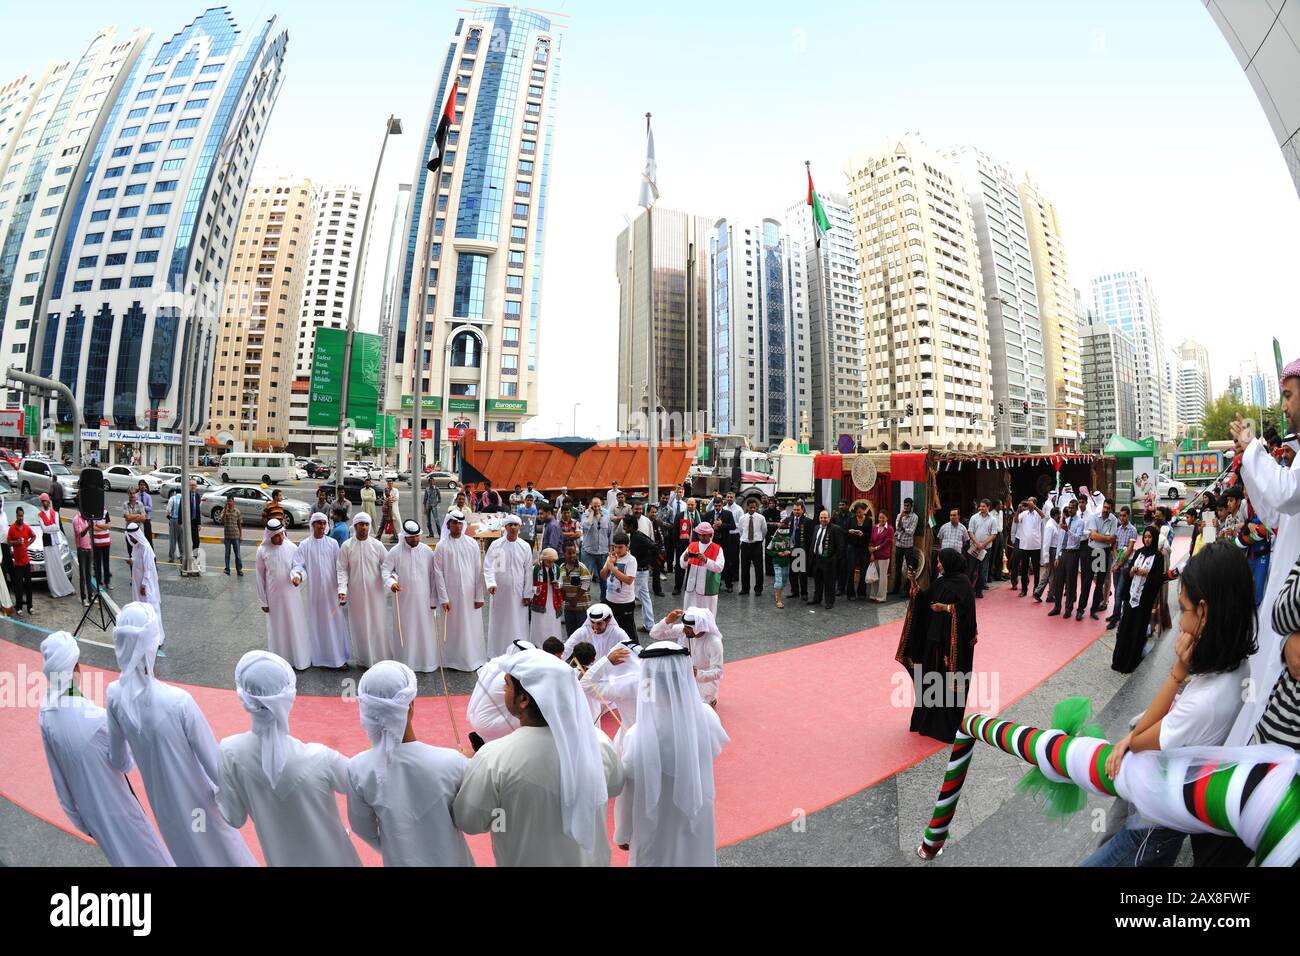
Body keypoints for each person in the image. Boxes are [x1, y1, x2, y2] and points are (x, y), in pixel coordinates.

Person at [1083, 542, 1255, 866]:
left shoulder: (1206, 700)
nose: (1179, 617)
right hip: (1161, 803)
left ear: (1204, 612)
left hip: (1155, 820)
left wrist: (1177, 672)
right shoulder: (1238, 666)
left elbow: (1142, 741)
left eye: (1184, 608)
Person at [105, 603, 256, 866]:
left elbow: (119, 761)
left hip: (165, 809)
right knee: (228, 856)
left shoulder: (115, 696)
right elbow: (216, 768)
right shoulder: (178, 702)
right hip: (203, 805)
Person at [452, 649, 625, 866]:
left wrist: (468, 769)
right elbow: (615, 786)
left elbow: (470, 820)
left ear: (523, 699)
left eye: (506, 685)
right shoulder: (598, 742)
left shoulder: (494, 757)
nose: (503, 690)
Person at [38, 631, 174, 867]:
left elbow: (58, 779)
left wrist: (81, 821)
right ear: (76, 668)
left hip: (92, 816)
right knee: (154, 858)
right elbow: (125, 763)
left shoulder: (46, 715)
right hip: (121, 808)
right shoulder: (97, 719)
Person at [217, 651, 360, 866]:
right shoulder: (321, 758)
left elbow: (234, 817)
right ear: (290, 698)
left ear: (244, 699)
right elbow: (364, 786)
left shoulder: (230, 751)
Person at [1225, 375, 1300, 747]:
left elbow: (1285, 492)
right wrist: (1248, 458)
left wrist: (1254, 448)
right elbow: (1275, 513)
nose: (1283, 406)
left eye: (1288, 396)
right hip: (1285, 599)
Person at [347, 661, 474, 866]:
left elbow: (363, 829)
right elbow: (472, 820)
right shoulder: (453, 762)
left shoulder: (358, 768)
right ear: (411, 706)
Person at [620, 640, 729, 866]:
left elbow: (628, 790)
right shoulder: (706, 717)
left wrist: (623, 832)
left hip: (656, 826)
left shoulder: (637, 734)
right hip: (696, 817)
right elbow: (714, 750)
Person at [896, 548, 978, 743]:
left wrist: (946, 608)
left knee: (949, 684)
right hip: (933, 640)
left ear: (950, 562)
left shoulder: (964, 585)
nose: (938, 565)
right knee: (930, 680)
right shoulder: (940, 582)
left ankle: (944, 726)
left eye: (941, 562)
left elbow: (967, 615)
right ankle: (926, 721)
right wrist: (914, 585)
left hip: (951, 646)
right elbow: (924, 601)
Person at [383, 520, 442, 673]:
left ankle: (426, 663)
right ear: (404, 537)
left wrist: (433, 599)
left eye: (417, 536)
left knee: (424, 631)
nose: (415, 539)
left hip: (424, 601)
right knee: (406, 631)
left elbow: (433, 577)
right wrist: (391, 583)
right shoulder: (395, 552)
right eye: (412, 537)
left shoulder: (428, 551)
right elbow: (385, 571)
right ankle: (405, 664)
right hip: (404, 601)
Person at [433, 510, 487, 672]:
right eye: (454, 523)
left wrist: (479, 596)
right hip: (451, 596)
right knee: (453, 628)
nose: (457, 526)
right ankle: (453, 661)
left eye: (460, 523)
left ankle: (473, 659)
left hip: (471, 595)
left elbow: (478, 571)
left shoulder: (472, 544)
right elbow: (438, 574)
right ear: (448, 524)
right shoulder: (441, 546)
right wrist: (443, 598)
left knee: (471, 627)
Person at [255, 519, 312, 671]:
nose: (280, 539)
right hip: (273, 598)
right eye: (276, 536)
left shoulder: (292, 547)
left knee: (295, 625)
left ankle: (300, 660)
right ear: (269, 536)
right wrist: (263, 601)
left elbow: (301, 567)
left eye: (281, 535)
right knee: (277, 629)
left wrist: (298, 576)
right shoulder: (262, 550)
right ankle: (280, 661)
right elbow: (259, 577)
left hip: (292, 596)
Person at [297, 514, 351, 669]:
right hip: (315, 593)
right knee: (317, 624)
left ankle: (338, 659)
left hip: (331, 592)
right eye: (317, 523)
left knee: (335, 624)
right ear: (312, 525)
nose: (321, 526)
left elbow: (340, 567)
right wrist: (298, 575)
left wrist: (342, 589)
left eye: (323, 523)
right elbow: (299, 566)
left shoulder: (333, 543)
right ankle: (319, 657)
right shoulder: (304, 545)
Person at [337, 512, 390, 668]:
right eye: (362, 524)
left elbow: (387, 567)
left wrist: (390, 582)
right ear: (355, 526)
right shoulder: (347, 546)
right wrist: (342, 589)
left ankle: (380, 658)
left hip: (376, 593)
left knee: (377, 624)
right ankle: (364, 659)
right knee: (360, 625)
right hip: (356, 593)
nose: (364, 527)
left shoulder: (377, 545)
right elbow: (341, 569)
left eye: (367, 524)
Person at [1110, 526, 1165, 673]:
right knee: (1125, 628)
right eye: (1145, 537)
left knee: (1137, 630)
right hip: (1131, 598)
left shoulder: (1158, 557)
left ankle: (1131, 662)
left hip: (1144, 601)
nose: (1147, 539)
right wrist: (1132, 571)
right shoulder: (1139, 552)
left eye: (1150, 537)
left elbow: (1158, 578)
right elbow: (1128, 572)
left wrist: (1146, 573)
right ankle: (1119, 660)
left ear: (1154, 539)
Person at [649, 607, 725, 706]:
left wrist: (698, 673)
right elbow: (654, 634)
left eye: (688, 628)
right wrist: (667, 621)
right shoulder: (683, 630)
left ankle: (711, 697)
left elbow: (718, 672)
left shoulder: (714, 642)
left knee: (694, 708)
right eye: (684, 626)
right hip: (682, 674)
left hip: (703, 681)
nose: (684, 630)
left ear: (699, 627)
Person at [467, 638, 536, 747]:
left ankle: (483, 739)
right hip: (488, 725)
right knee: (530, 713)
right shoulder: (511, 675)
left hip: (474, 717)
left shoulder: (495, 662)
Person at [484, 514, 534, 659]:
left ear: (519, 527)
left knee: (518, 623)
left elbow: (528, 571)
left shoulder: (525, 546)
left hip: (519, 594)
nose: (513, 527)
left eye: (515, 525)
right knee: (500, 623)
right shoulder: (496, 545)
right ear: (505, 527)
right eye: (510, 525)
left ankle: (519, 654)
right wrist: (491, 583)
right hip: (500, 592)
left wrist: (527, 594)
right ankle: (498, 653)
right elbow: (489, 567)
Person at [1048, 500, 1085, 618]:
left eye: (1072, 508)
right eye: (1069, 508)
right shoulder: (1065, 521)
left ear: (1076, 509)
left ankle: (1068, 608)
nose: (1070, 510)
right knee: (1059, 581)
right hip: (1063, 553)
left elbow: (1078, 539)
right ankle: (1057, 607)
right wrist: (1057, 556)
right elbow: (1060, 540)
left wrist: (1067, 530)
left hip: (1073, 553)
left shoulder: (1080, 522)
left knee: (1070, 582)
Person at [679, 522, 724, 618]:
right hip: (691, 588)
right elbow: (682, 564)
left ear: (710, 535)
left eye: (704, 535)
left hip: (708, 589)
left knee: (707, 616)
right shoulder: (692, 545)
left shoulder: (717, 548)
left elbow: (719, 567)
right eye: (700, 535)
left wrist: (706, 560)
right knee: (689, 615)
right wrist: (686, 558)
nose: (702, 537)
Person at [124, 523, 162, 636]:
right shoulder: (136, 547)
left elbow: (149, 569)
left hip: (145, 585)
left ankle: (155, 635)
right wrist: (132, 561)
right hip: (137, 582)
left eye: (131, 537)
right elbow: (135, 558)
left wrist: (144, 585)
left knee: (150, 608)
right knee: (140, 609)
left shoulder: (146, 548)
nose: (130, 539)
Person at [563, 602, 633, 661]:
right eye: (592, 622)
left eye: (599, 623)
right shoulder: (582, 632)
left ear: (608, 621)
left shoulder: (618, 633)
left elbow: (630, 651)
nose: (595, 627)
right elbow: (566, 649)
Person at [36, 493, 74, 599]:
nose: (44, 503)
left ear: (49, 501)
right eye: (42, 501)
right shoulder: (40, 515)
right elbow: (44, 529)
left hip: (54, 542)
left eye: (46, 501)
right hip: (47, 543)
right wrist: (51, 527)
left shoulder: (55, 513)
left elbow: (57, 528)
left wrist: (50, 527)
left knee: (58, 565)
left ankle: (65, 588)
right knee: (50, 568)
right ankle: (54, 591)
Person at [602, 531, 639, 638]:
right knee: (610, 630)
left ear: (627, 547)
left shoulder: (631, 560)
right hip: (610, 600)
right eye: (615, 547)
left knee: (628, 631)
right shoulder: (611, 557)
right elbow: (603, 575)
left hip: (625, 602)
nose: (617, 550)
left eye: (620, 547)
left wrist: (612, 568)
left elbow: (629, 580)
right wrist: (608, 565)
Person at [528, 547, 565, 646]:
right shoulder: (535, 569)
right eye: (549, 561)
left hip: (553, 602)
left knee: (553, 623)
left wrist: (558, 585)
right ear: (543, 559)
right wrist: (536, 590)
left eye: (553, 561)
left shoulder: (557, 569)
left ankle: (554, 645)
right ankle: (539, 645)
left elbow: (561, 583)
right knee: (539, 624)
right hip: (539, 602)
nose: (551, 564)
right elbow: (528, 587)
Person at [702, 495, 738, 593]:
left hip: (725, 543)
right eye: (716, 506)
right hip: (713, 543)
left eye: (719, 506)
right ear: (713, 505)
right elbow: (703, 527)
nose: (717, 508)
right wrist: (711, 527)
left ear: (722, 505)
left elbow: (733, 526)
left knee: (727, 564)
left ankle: (729, 584)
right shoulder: (708, 514)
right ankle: (715, 584)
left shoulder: (728, 514)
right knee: (712, 563)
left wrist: (722, 525)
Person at [809, 510, 843, 609]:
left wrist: (834, 559)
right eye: (821, 518)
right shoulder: (816, 527)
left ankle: (829, 602)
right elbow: (814, 542)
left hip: (829, 560)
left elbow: (840, 547)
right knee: (817, 581)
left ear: (829, 518)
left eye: (825, 518)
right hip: (817, 559)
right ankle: (817, 599)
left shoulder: (835, 529)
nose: (823, 519)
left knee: (829, 583)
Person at [581, 497, 613, 604]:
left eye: (599, 506)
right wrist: (591, 513)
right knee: (586, 579)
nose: (597, 508)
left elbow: (609, 533)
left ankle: (604, 600)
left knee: (604, 578)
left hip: (603, 552)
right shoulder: (585, 516)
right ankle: (585, 601)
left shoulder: (606, 516)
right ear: (590, 506)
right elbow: (586, 526)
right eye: (594, 506)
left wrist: (610, 548)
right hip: (589, 552)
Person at [559, 543, 593, 636]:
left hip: (582, 607)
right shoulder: (561, 567)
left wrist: (575, 599)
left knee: (582, 633)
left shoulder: (582, 567)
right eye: (569, 553)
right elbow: (560, 584)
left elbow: (586, 584)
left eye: (574, 552)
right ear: (564, 554)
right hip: (568, 607)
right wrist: (565, 597)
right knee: (571, 632)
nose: (572, 555)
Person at [966, 500, 998, 598]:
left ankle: (979, 590)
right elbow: (970, 531)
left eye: (983, 506)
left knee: (982, 569)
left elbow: (994, 534)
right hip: (974, 547)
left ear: (988, 507)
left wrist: (983, 544)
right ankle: (968, 591)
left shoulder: (993, 519)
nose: (981, 508)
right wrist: (977, 543)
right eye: (980, 506)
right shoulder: (974, 517)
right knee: (971, 569)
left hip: (986, 548)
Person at [673, 497, 704, 595]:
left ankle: (689, 587)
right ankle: (677, 587)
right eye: (688, 504)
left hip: (695, 546)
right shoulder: (680, 516)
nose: (690, 506)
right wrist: (677, 544)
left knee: (693, 567)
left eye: (692, 504)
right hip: (682, 546)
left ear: (696, 505)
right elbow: (675, 531)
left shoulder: (700, 516)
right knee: (680, 567)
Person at [1012, 500, 1044, 597]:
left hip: (1035, 545)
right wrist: (1018, 509)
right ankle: (1024, 590)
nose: (1029, 505)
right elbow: (1016, 520)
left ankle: (1036, 590)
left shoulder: (1037, 514)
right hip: (1024, 546)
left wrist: (1035, 507)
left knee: (1036, 569)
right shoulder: (1023, 514)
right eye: (1028, 503)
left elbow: (1043, 515)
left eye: (1031, 503)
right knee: (1024, 569)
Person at [737, 497, 768, 597]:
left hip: (757, 545)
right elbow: (741, 530)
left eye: (754, 508)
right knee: (744, 568)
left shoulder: (761, 518)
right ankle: (745, 588)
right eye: (751, 508)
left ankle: (758, 588)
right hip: (746, 544)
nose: (752, 509)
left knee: (759, 568)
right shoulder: (742, 518)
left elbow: (764, 530)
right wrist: (746, 539)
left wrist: (759, 539)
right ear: (747, 507)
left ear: (756, 507)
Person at [8, 506, 35, 614]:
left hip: (26, 562)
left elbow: (33, 536)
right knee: (19, 587)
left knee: (29, 585)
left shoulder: (26, 527)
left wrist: (27, 544)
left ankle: (30, 606)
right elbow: (9, 542)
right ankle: (19, 607)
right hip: (18, 563)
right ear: (16, 515)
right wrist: (16, 542)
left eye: (22, 516)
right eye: (19, 516)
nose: (21, 518)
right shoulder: (12, 528)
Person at [840, 502, 871, 600]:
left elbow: (870, 534)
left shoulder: (868, 521)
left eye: (861, 512)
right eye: (857, 512)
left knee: (863, 571)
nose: (859, 514)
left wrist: (863, 534)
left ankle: (862, 592)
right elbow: (843, 531)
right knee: (850, 570)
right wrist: (849, 531)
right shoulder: (851, 519)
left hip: (864, 548)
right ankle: (851, 593)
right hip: (852, 547)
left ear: (864, 511)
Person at [890, 498, 921, 596]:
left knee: (910, 568)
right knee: (897, 567)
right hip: (899, 545)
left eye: (907, 505)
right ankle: (896, 589)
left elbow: (911, 532)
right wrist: (901, 521)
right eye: (904, 505)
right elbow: (897, 527)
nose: (905, 507)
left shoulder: (915, 517)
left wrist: (902, 528)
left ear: (911, 506)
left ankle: (906, 590)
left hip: (908, 546)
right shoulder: (900, 515)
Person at [867, 509, 894, 604]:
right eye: (880, 517)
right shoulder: (875, 527)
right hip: (875, 555)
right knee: (874, 575)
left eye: (883, 517)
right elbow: (871, 540)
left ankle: (881, 597)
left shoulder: (889, 529)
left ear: (887, 518)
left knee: (882, 577)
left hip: (884, 556)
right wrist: (871, 551)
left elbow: (888, 542)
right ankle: (873, 595)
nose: (881, 519)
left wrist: (876, 548)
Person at [767, 517, 794, 609]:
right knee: (778, 581)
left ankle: (778, 594)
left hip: (786, 563)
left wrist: (789, 552)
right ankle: (779, 600)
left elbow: (792, 548)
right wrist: (777, 553)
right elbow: (768, 550)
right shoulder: (774, 540)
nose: (783, 536)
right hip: (777, 563)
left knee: (784, 581)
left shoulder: (788, 539)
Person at [71, 509, 94, 607]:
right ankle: (83, 598)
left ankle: (90, 595)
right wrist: (89, 525)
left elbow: (89, 535)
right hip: (81, 550)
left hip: (88, 549)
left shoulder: (85, 519)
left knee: (89, 574)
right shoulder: (76, 519)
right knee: (83, 575)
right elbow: (81, 534)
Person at [220, 490, 244, 575]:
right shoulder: (224, 511)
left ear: (233, 501)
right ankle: (227, 569)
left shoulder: (237, 511)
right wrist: (225, 509)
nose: (229, 503)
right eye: (228, 501)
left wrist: (241, 535)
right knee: (227, 554)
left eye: (230, 501)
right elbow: (222, 520)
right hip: (227, 536)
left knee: (237, 554)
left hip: (236, 536)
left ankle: (239, 569)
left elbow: (240, 524)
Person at [92, 507, 113, 591]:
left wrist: (99, 525)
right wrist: (104, 527)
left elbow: (109, 525)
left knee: (106, 562)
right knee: (97, 563)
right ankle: (98, 582)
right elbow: (93, 527)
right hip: (97, 541)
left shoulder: (105, 512)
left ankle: (107, 582)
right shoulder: (93, 513)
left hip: (106, 541)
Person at [381, 478, 402, 543]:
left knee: (398, 522)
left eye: (391, 483)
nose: (390, 485)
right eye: (389, 483)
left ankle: (399, 536)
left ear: (392, 484)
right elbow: (385, 498)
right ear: (387, 484)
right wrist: (391, 498)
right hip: (387, 511)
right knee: (389, 524)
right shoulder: (386, 490)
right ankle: (395, 536)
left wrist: (390, 499)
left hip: (395, 510)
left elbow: (397, 498)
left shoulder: (395, 490)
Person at [166, 487, 183, 562]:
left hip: (174, 520)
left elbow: (168, 509)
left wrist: (168, 517)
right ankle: (182, 556)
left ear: (175, 492)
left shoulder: (172, 498)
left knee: (173, 539)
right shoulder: (184, 498)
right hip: (183, 521)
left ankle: (171, 557)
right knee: (181, 540)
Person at [135, 480, 154, 544]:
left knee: (148, 538)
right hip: (138, 519)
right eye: (141, 485)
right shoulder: (136, 496)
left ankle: (150, 552)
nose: (142, 486)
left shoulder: (148, 496)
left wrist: (142, 506)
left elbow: (150, 508)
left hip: (146, 519)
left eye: (144, 485)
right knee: (139, 538)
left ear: (145, 486)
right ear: (139, 486)